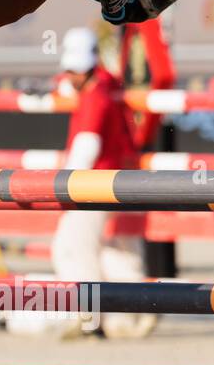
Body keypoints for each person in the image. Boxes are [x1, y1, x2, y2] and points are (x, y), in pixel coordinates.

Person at [50, 26, 156, 339]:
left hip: (93, 185)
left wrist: (61, 190)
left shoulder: (94, 98)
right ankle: (131, 317)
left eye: (73, 71)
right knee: (116, 252)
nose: (70, 77)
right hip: (120, 181)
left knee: (71, 248)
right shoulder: (105, 85)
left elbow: (86, 147)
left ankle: (88, 317)